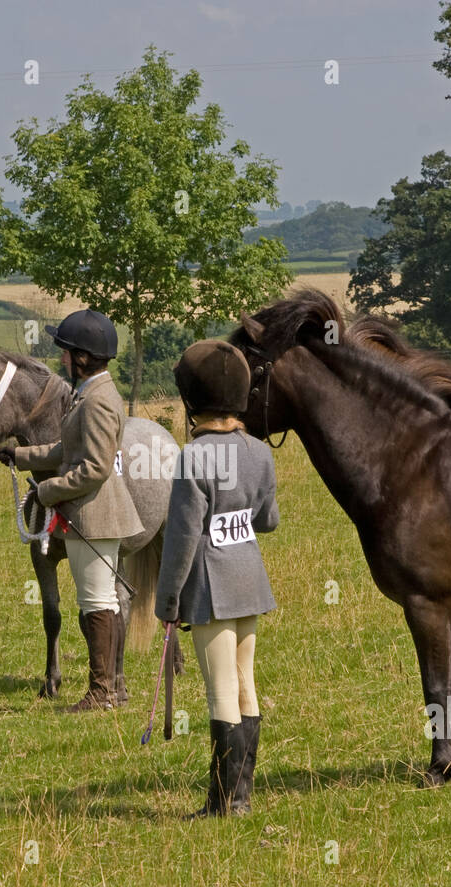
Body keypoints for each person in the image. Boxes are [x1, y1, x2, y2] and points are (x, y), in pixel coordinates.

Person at [0, 309, 143, 711]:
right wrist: (20, 455)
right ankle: (108, 689)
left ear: (82, 356)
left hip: (91, 515)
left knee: (97, 602)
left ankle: (102, 691)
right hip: (90, 514)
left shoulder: (95, 401)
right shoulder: (91, 394)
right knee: (100, 600)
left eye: (65, 352)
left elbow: (93, 469)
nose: (60, 360)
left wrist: (46, 491)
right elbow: (66, 450)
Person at [156, 339, 279, 818]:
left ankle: (223, 804)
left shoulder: (193, 457)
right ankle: (239, 798)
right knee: (245, 682)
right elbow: (267, 520)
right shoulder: (259, 453)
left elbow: (183, 540)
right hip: (250, 577)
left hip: (210, 587)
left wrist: (167, 602)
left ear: (192, 401)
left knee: (220, 690)